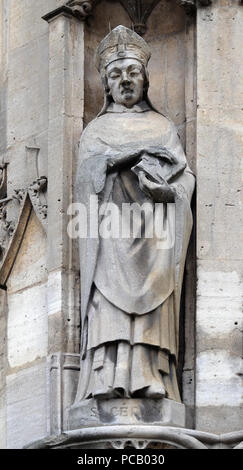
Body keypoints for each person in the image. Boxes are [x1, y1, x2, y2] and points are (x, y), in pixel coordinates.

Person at [74, 26, 195, 403]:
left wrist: (168, 192)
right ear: (106, 85)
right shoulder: (94, 131)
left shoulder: (162, 127)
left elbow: (184, 178)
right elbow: (85, 179)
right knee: (104, 299)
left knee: (156, 298)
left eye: (132, 72)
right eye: (115, 74)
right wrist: (122, 158)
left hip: (155, 233)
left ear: (145, 79)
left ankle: (151, 374)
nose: (125, 79)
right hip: (109, 233)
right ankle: (104, 377)